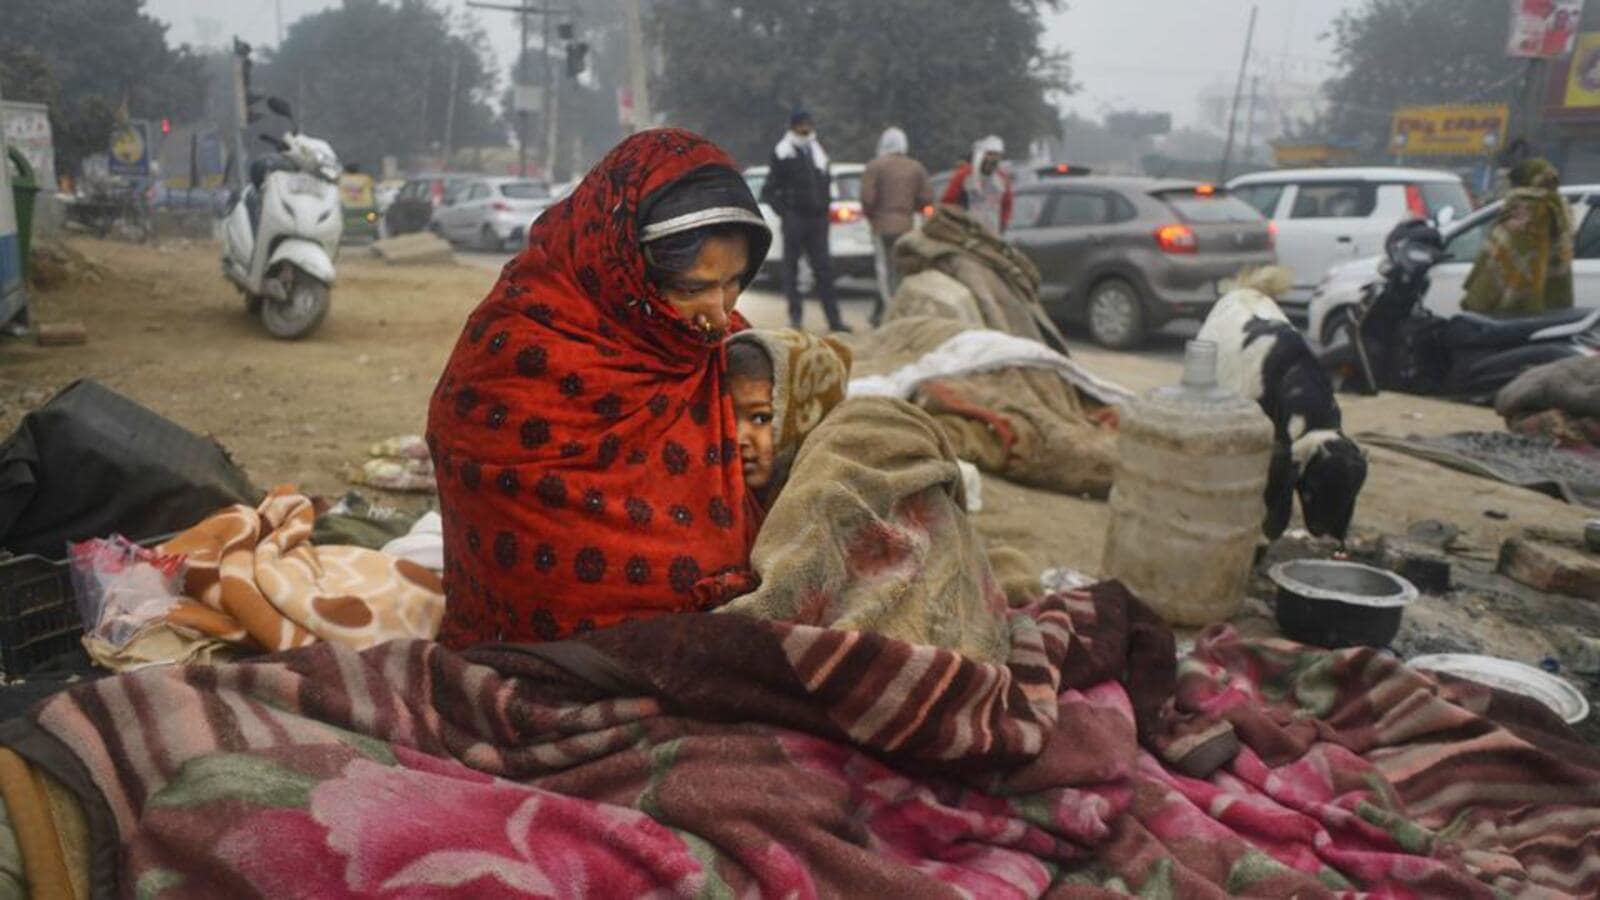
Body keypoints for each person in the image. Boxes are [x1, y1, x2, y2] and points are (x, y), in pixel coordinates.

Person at [426, 128, 772, 646]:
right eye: (691, 288)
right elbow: (536, 566)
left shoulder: (723, 342)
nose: (718, 314)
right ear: (626, 272)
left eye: (734, 282)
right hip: (541, 654)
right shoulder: (511, 357)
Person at [724, 328, 851, 517]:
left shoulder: (829, 511)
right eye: (727, 418)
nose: (738, 437)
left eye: (761, 418)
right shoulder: (719, 504)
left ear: (806, 416)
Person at [760, 110, 849, 332]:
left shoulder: (817, 152)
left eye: (808, 124)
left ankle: (834, 320)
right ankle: (796, 318)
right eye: (801, 125)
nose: (806, 129)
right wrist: (786, 214)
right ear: (792, 127)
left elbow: (826, 183)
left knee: (824, 270)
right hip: (795, 219)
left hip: (818, 220)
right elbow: (769, 191)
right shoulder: (782, 153)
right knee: (791, 271)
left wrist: (825, 206)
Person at [1462, 157, 1574, 317]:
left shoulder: (1526, 210)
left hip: (1516, 310)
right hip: (1554, 302)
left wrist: (1478, 300)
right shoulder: (1560, 209)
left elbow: (1503, 259)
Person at [861, 126, 932, 325]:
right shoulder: (916, 167)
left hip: (882, 227)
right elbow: (927, 198)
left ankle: (891, 315)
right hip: (908, 226)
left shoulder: (875, 166)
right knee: (902, 271)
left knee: (884, 272)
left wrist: (872, 217)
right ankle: (900, 311)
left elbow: (868, 198)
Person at [941, 135, 1013, 237]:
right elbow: (948, 202)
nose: (993, 158)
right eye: (990, 154)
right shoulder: (963, 175)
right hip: (967, 234)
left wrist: (1003, 224)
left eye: (997, 155)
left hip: (993, 234)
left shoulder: (1002, 179)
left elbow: (1007, 205)